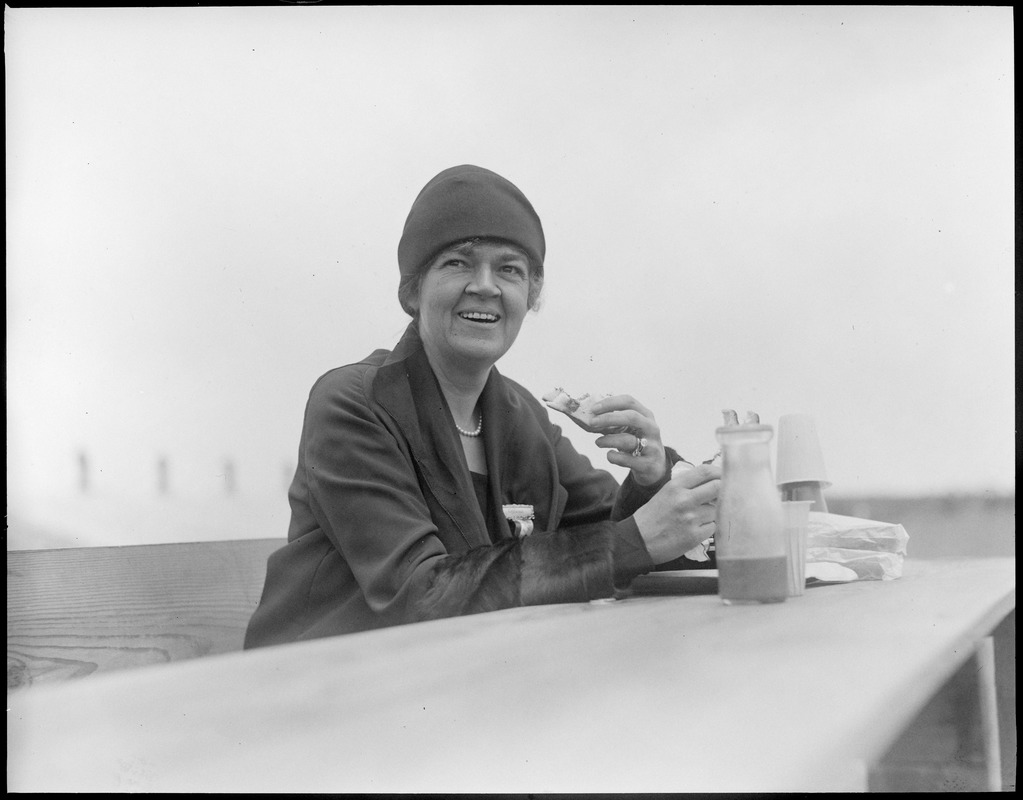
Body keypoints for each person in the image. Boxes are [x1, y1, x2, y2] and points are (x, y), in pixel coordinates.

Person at [244, 165, 720, 648]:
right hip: (324, 693)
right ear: (414, 289)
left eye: (509, 269)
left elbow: (617, 537)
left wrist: (651, 478)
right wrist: (634, 540)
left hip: (457, 682)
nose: (486, 286)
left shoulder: (522, 418)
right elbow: (423, 594)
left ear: (529, 296)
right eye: (458, 262)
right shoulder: (353, 404)